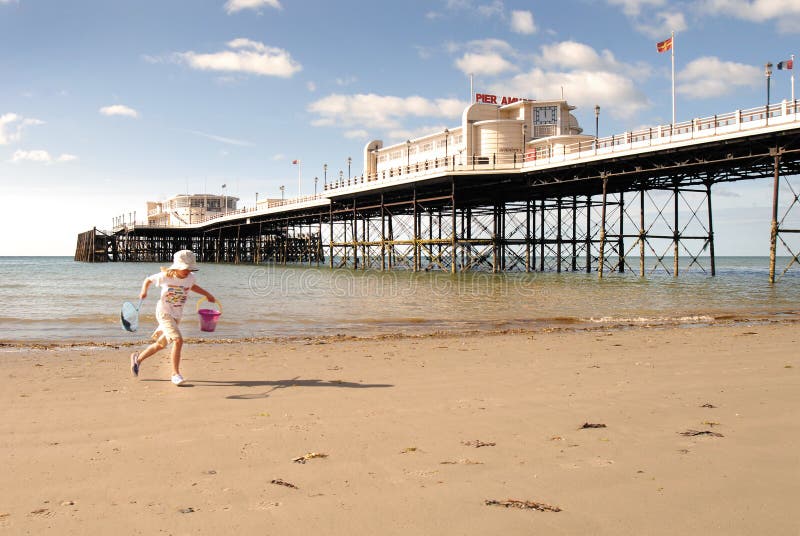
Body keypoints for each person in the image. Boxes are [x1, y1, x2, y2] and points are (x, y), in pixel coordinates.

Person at [129, 250, 216, 386]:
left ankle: (137, 360)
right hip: (164, 313)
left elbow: (192, 286)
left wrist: (207, 294)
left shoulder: (190, 278)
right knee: (178, 340)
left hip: (176, 315)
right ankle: (175, 374)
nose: (187, 271)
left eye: (189, 268)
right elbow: (148, 280)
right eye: (184, 268)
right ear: (176, 267)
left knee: (160, 344)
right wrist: (144, 291)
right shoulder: (165, 276)